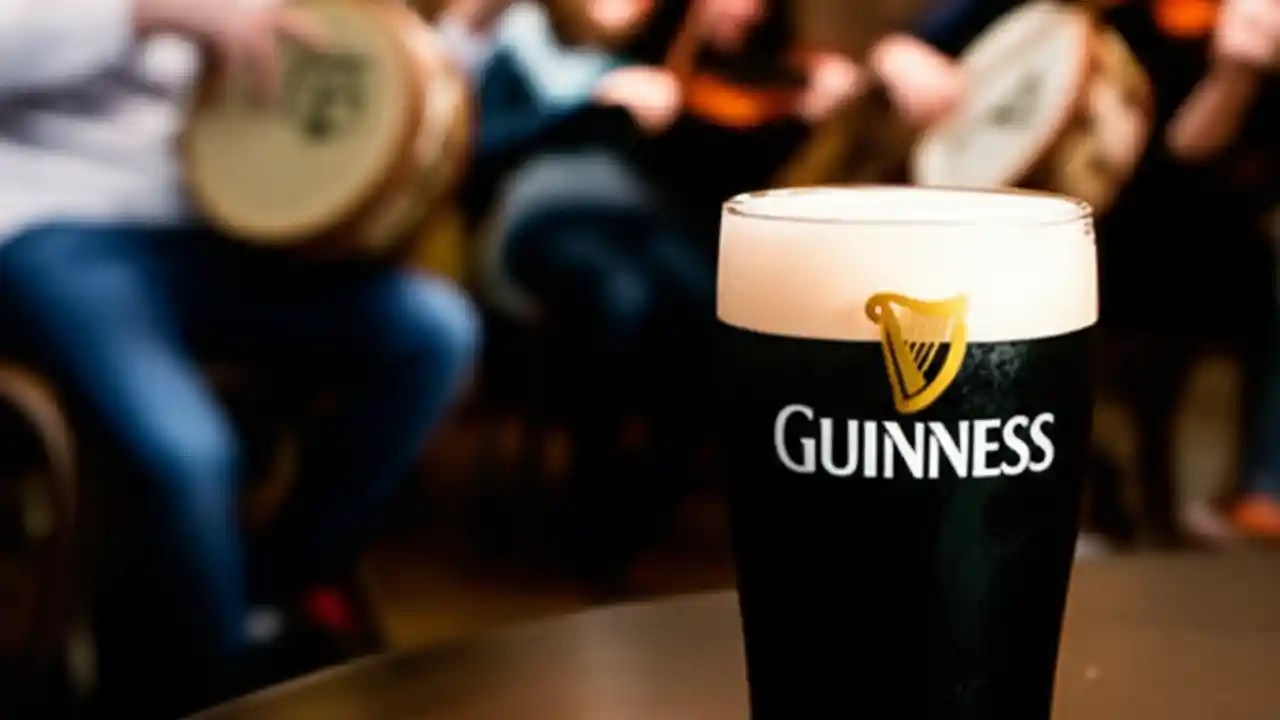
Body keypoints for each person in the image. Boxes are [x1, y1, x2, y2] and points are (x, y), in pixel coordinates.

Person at [0, 0, 479, 715]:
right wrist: (151, 14)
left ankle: (258, 603)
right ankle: (212, 682)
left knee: (434, 332)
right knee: (189, 451)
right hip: (53, 225)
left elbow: (364, 68)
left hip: (220, 227)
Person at [900, 0, 1280, 546]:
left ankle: (1251, 492)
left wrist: (1235, 75)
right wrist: (899, 54)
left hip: (1196, 256)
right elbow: (938, 35)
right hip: (1073, 248)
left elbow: (1185, 169)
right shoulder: (1098, 15)